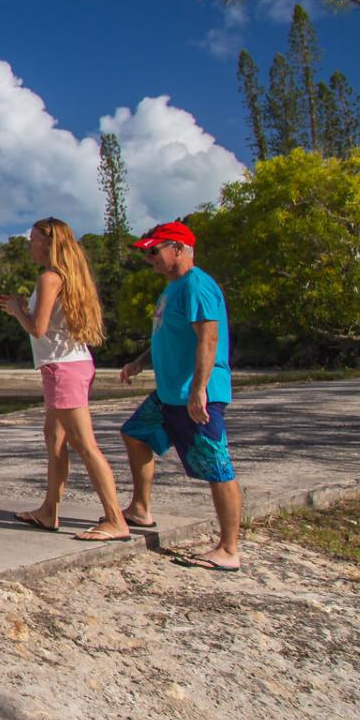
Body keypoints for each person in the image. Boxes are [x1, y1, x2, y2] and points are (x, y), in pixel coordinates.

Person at [117, 220, 242, 571]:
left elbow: (208, 339)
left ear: (179, 249)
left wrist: (200, 389)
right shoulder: (171, 289)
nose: (150, 259)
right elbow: (167, 337)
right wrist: (139, 362)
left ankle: (229, 549)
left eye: (154, 251)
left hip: (196, 395)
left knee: (217, 467)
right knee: (134, 434)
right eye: (147, 253)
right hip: (169, 394)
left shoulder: (196, 286)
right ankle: (141, 509)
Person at [0, 217, 131, 542]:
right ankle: (48, 510)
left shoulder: (49, 278)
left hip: (63, 369)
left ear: (49, 243)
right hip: (71, 365)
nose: (29, 245)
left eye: (33, 240)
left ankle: (116, 520)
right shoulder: (63, 276)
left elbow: (38, 328)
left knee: (85, 446)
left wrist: (17, 310)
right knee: (54, 439)